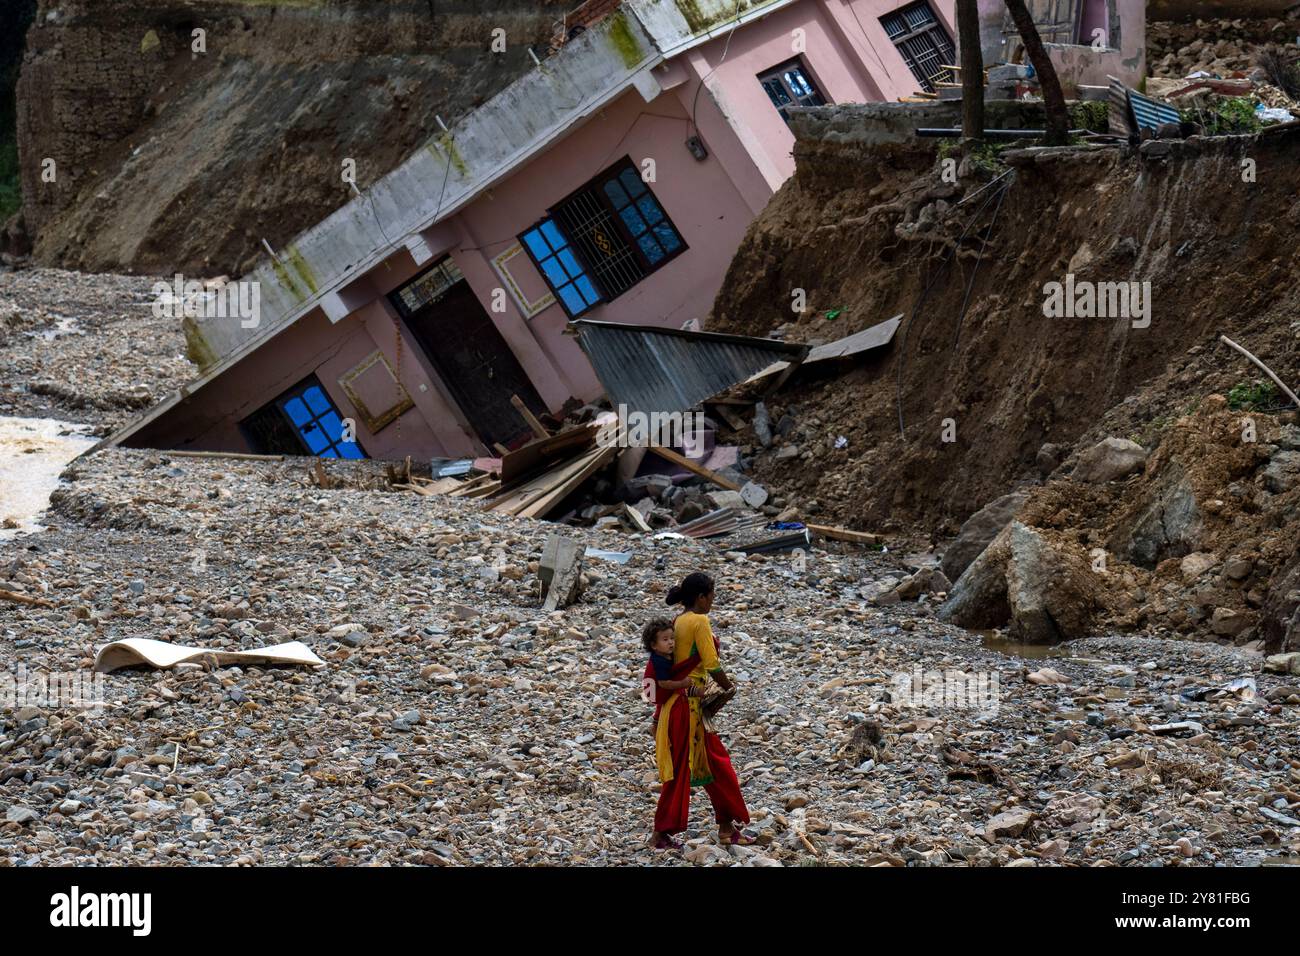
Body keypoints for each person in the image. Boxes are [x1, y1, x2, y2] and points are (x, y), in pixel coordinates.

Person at [650, 571, 753, 850]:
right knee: (712, 766)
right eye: (711, 596)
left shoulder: (679, 620)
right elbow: (711, 664)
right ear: (701, 597)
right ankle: (662, 833)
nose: (712, 602)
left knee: (704, 767)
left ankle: (725, 828)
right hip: (691, 711)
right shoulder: (700, 620)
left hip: (676, 706)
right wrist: (730, 687)